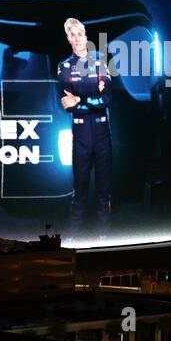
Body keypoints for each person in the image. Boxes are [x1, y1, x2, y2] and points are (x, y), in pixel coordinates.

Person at [57, 17, 112, 239]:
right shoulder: (64, 67)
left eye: (80, 33)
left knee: (104, 192)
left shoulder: (100, 62)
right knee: (80, 191)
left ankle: (105, 239)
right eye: (73, 34)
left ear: (86, 35)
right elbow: (67, 105)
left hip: (102, 136)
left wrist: (80, 100)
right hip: (80, 137)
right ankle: (72, 241)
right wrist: (89, 99)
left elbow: (107, 99)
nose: (78, 38)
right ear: (68, 38)